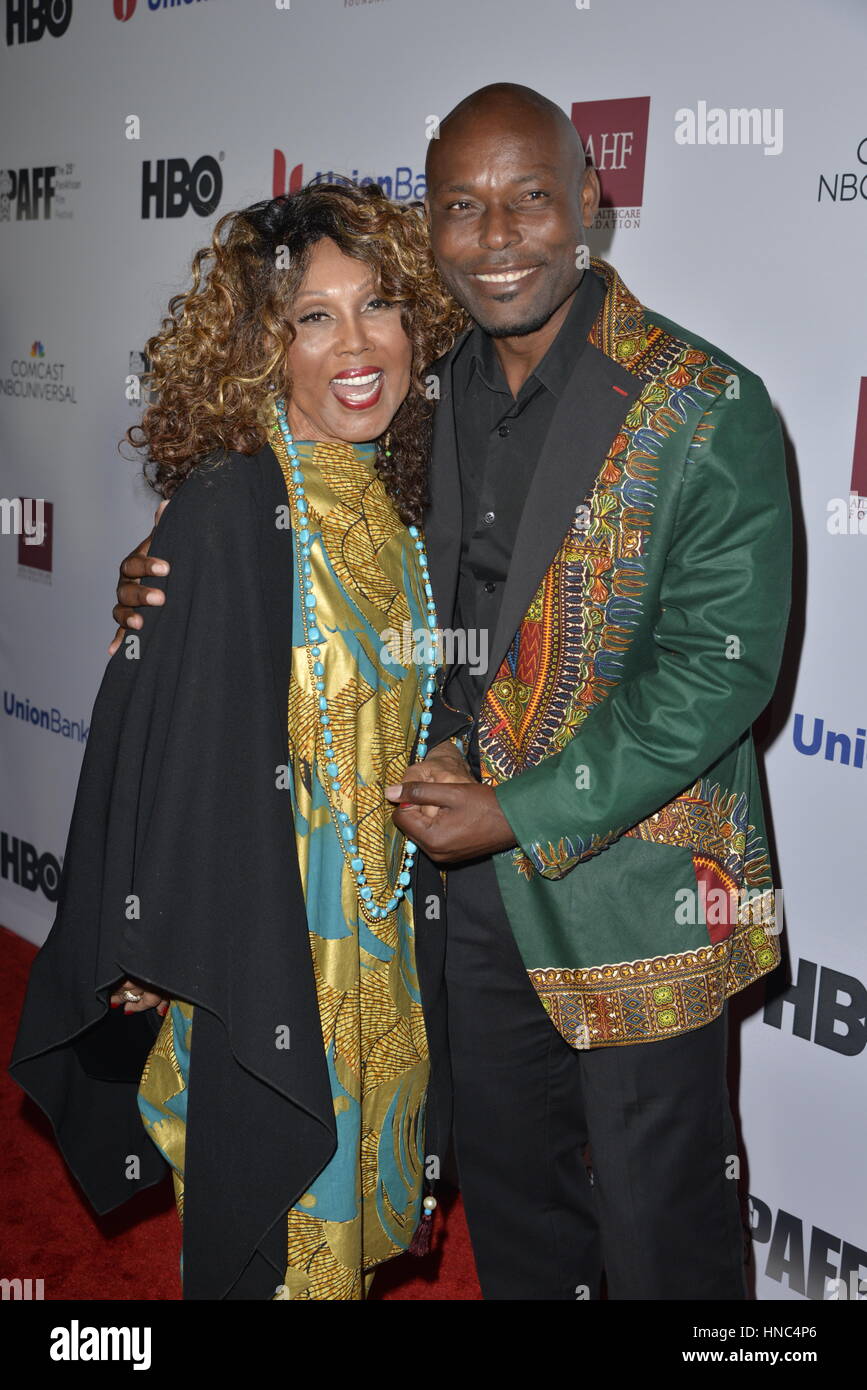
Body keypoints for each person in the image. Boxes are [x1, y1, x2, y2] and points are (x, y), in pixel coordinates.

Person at [110, 84, 793, 1301]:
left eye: (532, 197)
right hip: (460, 907)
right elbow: (316, 557)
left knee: (664, 1237)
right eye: (463, 207)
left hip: (641, 900)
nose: (500, 235)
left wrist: (517, 808)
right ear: (431, 232)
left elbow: (717, 672)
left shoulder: (707, 404)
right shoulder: (413, 398)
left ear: (592, 200)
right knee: (522, 1223)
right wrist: (172, 581)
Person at [9, 180, 469, 1301]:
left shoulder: (398, 507)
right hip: (268, 948)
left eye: (379, 307)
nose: (358, 346)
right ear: (264, 344)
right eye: (315, 317)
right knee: (278, 1247)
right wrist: (145, 942)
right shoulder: (228, 502)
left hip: (378, 950)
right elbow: (158, 731)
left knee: (347, 1245)